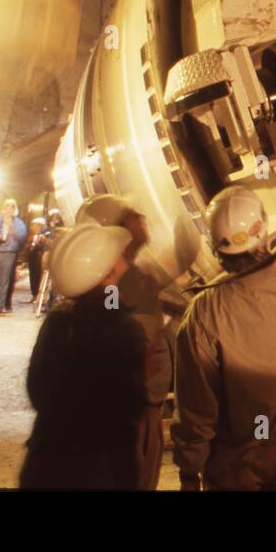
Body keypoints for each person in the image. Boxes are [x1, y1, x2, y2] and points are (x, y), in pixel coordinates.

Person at [172, 110, 276, 491]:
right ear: (263, 229)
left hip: (239, 459)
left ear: (217, 250)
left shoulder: (205, 313)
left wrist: (188, 470)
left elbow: (197, 407)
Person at [19, 219, 152, 489]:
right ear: (109, 271)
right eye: (118, 257)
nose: (124, 262)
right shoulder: (124, 330)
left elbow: (37, 392)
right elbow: (133, 405)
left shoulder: (56, 323)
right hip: (103, 468)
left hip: (46, 462)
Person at [75, 194, 169, 490]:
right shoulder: (114, 286)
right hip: (129, 413)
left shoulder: (135, 277)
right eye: (131, 216)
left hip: (143, 408)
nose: (141, 219)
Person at [0, 198, 26, 316]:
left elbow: (23, 238)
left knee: (4, 281)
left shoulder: (19, 223)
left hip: (9, 253)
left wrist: (14, 232)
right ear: (3, 208)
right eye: (7, 205)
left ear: (14, 209)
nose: (9, 208)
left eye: (12, 206)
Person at [23, 216, 46, 303]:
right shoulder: (30, 236)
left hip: (40, 259)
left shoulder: (44, 236)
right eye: (34, 226)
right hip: (32, 259)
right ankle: (34, 294)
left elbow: (45, 248)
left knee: (39, 277)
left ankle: (39, 296)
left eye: (38, 226)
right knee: (33, 277)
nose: (36, 228)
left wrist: (40, 242)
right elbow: (26, 247)